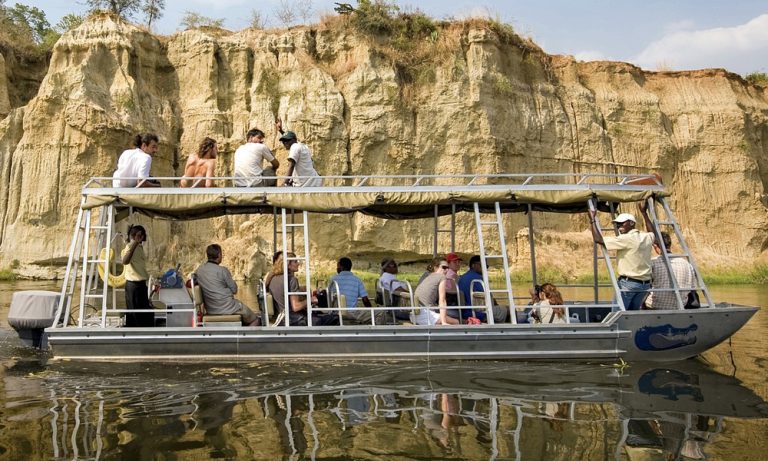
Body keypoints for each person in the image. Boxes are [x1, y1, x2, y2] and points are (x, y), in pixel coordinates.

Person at [589, 204, 655, 310]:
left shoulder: (625, 239)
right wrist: (644, 214)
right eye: (617, 224)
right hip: (644, 285)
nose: (619, 226)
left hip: (628, 284)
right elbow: (652, 232)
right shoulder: (646, 237)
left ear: (632, 223)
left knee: (618, 313)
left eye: (622, 223)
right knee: (633, 314)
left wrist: (592, 219)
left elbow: (598, 239)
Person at [195, 244, 261, 326]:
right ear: (219, 255)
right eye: (221, 254)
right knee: (256, 320)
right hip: (229, 307)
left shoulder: (199, 271)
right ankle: (246, 338)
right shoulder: (223, 271)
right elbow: (234, 290)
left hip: (211, 310)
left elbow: (193, 282)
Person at [647, 231, 696, 309]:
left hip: (656, 305)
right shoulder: (687, 263)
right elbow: (692, 288)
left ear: (655, 246)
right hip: (680, 305)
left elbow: (646, 285)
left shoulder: (653, 263)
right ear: (669, 245)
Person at [456, 255, 508, 323]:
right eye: (482, 265)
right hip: (478, 313)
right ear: (473, 265)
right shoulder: (478, 279)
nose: (484, 268)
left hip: (465, 312)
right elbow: (488, 298)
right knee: (508, 309)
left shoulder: (462, 278)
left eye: (486, 266)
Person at [121, 225, 155, 327]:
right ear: (134, 236)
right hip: (133, 285)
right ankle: (134, 334)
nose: (143, 236)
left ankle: (145, 332)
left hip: (141, 284)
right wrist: (135, 242)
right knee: (135, 313)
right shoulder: (131, 246)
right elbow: (125, 261)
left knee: (144, 311)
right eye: (140, 235)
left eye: (143, 234)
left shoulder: (139, 247)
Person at [268, 252, 312, 326]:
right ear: (288, 265)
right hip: (292, 320)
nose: (298, 264)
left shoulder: (272, 278)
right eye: (295, 262)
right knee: (331, 318)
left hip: (281, 318)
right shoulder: (292, 280)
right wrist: (311, 300)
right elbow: (296, 307)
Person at [412, 259, 460, 325]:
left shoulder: (426, 275)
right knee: (456, 321)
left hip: (414, 315)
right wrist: (444, 322)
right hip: (425, 315)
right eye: (444, 267)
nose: (446, 270)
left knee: (450, 314)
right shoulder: (441, 277)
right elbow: (442, 301)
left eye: (448, 268)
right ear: (435, 268)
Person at [328, 257, 375, 323]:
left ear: (341, 267)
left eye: (337, 266)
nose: (337, 268)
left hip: (336, 313)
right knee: (380, 313)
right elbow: (365, 300)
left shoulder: (333, 280)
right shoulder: (357, 280)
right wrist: (371, 311)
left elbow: (329, 298)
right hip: (352, 314)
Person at [276, 118, 322, 187]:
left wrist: (285, 183)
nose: (285, 143)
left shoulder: (294, 147)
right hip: (315, 182)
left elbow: (291, 165)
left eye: (287, 141)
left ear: (294, 140)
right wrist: (281, 131)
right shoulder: (302, 146)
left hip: (307, 185)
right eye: (284, 141)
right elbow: (290, 139)